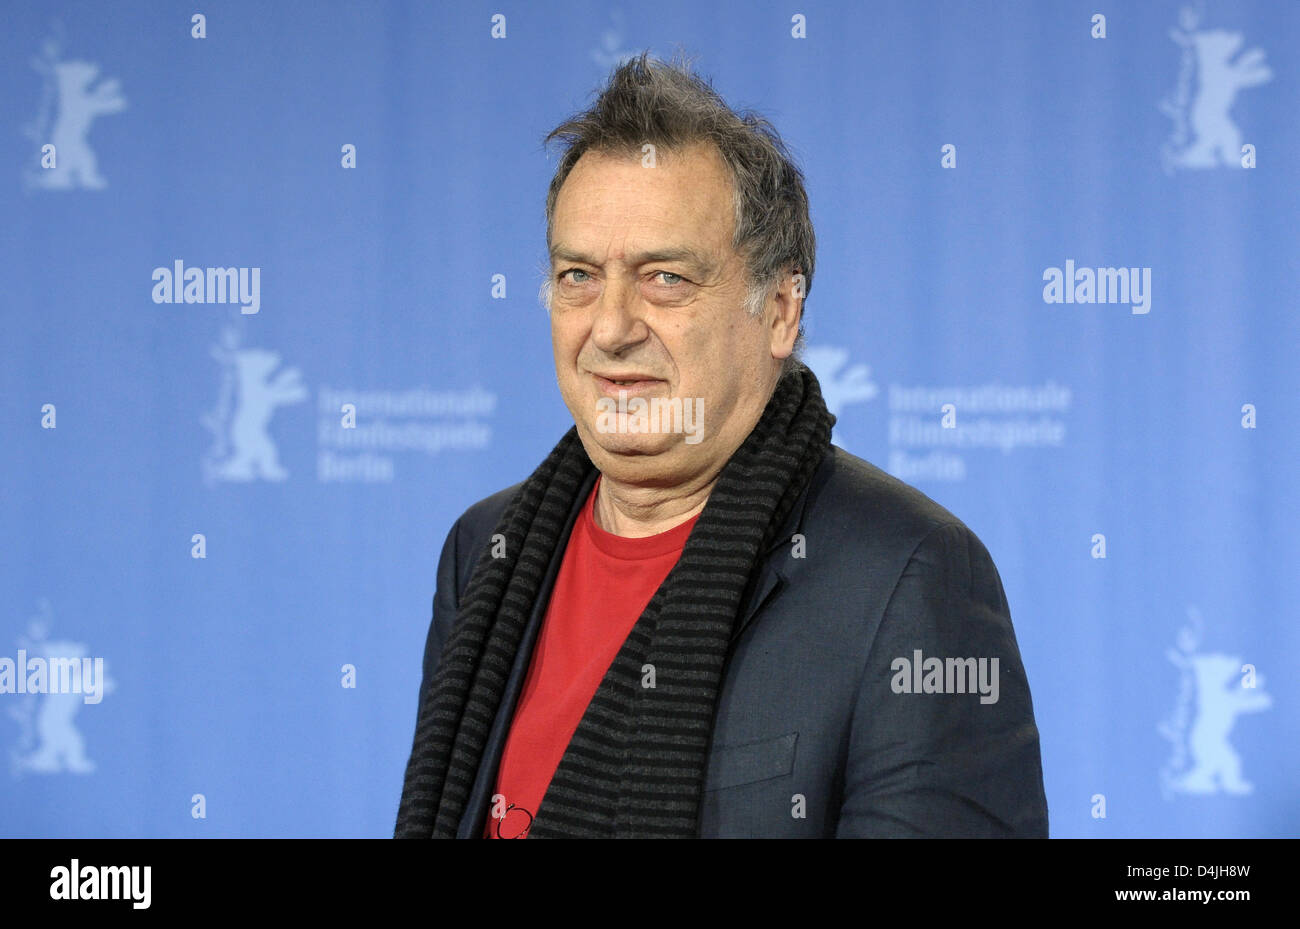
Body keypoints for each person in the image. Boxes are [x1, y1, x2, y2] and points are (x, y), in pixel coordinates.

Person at [395, 51, 1048, 838]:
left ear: (779, 310)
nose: (610, 327)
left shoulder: (908, 577)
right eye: (578, 276)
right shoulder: (484, 553)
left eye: (664, 277)